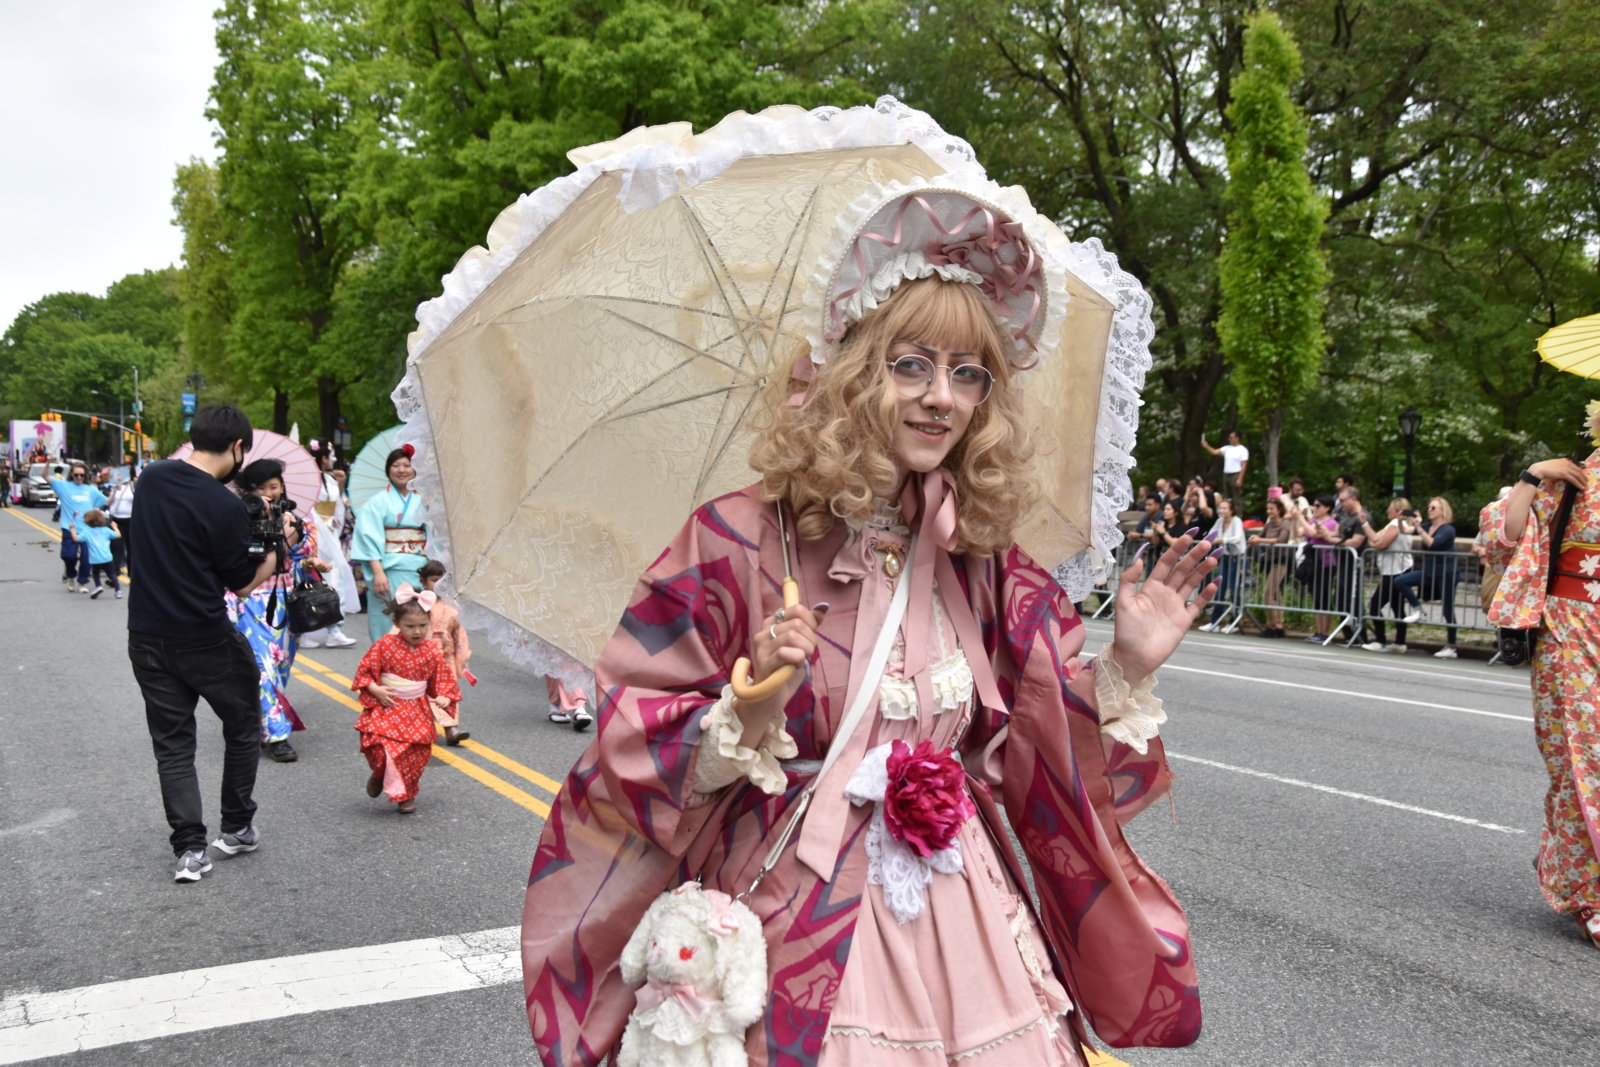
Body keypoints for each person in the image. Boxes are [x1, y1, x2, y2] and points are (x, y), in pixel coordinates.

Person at [520, 239, 1213, 1058]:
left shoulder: (977, 551)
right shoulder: (737, 537)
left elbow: (1033, 740)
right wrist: (747, 711)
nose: (942, 398)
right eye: (911, 364)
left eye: (968, 374)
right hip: (798, 895)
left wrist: (1126, 666)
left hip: (965, 908)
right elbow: (630, 735)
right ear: (850, 372)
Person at [126, 404, 278, 882]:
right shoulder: (224, 504)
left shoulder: (152, 478)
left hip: (146, 635)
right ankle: (236, 827)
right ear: (237, 446)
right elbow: (243, 583)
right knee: (242, 724)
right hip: (205, 636)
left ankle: (189, 850)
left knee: (173, 744)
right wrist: (274, 549)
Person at [1490, 408, 1600, 948]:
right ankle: (1589, 892)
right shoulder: (1573, 478)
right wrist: (1533, 474)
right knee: (1581, 758)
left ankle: (1564, 856)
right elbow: (1508, 535)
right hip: (1568, 626)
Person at [227, 458, 325, 763]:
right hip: (251, 598)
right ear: (249, 491)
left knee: (280, 666)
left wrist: (310, 560)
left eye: (274, 486)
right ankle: (277, 735)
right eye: (261, 488)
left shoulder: (294, 519)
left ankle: (261, 721)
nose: (269, 493)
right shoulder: (237, 518)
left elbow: (300, 558)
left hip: (285, 600)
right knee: (261, 667)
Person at [351, 595, 461, 814]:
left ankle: (407, 795)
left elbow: (442, 678)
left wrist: (445, 696)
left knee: (414, 755)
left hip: (416, 710)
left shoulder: (431, 651)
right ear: (396, 623)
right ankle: (380, 773)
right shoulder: (384, 645)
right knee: (379, 746)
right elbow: (364, 671)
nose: (417, 631)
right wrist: (375, 689)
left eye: (423, 625)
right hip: (388, 704)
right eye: (410, 626)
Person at [350, 444, 430, 643]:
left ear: (415, 470)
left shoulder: (425, 501)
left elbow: (435, 538)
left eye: (407, 465)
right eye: (396, 465)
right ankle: (386, 659)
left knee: (419, 619)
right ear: (388, 470)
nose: (401, 470)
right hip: (388, 570)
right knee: (387, 619)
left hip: (420, 570)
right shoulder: (377, 502)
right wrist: (378, 573)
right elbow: (368, 539)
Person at [404, 560, 472, 745]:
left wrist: (461, 660)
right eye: (435, 580)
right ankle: (414, 728)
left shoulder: (453, 607)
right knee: (418, 692)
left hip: (445, 658)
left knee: (446, 691)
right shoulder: (416, 605)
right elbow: (402, 628)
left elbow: (460, 636)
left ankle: (451, 729)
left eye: (444, 581)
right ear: (423, 580)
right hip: (419, 657)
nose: (440, 585)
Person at [299, 441, 359, 648]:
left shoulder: (330, 480)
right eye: (331, 455)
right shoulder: (306, 480)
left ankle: (334, 628)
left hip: (330, 533)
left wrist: (333, 519)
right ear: (323, 458)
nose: (333, 459)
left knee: (334, 579)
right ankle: (306, 629)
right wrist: (320, 523)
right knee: (312, 581)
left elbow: (336, 506)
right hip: (314, 535)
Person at [1394, 496, 1459, 658]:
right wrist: (1401, 520)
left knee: (1447, 609)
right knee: (1401, 581)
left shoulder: (1448, 529)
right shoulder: (1427, 526)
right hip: (1430, 571)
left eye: (1433, 508)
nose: (1429, 510)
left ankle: (1451, 646)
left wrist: (1418, 527)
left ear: (1442, 511)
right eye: (1429, 507)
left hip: (1446, 573)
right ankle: (1418, 609)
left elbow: (1432, 543)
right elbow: (1405, 531)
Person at [1358, 499, 1417, 653]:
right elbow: (1375, 537)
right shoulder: (1397, 525)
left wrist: (1375, 543)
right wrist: (1365, 524)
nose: (1387, 511)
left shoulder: (1395, 525)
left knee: (1375, 605)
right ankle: (1400, 642)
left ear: (1398, 511)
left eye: (1390, 508)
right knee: (1397, 607)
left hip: (1395, 571)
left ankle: (1381, 640)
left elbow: (1381, 543)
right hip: (1395, 570)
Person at [50, 462, 107, 591]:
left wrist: (117, 491)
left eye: (82, 475)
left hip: (87, 529)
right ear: (72, 474)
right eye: (76, 475)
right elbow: (45, 476)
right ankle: (70, 575)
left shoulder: (90, 490)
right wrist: (48, 462)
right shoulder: (64, 486)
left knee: (86, 558)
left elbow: (106, 501)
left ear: (85, 475)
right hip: (69, 527)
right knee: (69, 556)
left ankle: (82, 582)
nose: (79, 477)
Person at [1293, 493, 1341, 643]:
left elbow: (1313, 533)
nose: (1315, 508)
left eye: (1318, 505)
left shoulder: (1331, 522)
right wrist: (1296, 518)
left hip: (1325, 562)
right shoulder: (1313, 520)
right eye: (1314, 505)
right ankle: (1318, 629)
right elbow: (1299, 533)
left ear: (1327, 508)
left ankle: (1325, 631)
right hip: (1313, 561)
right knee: (1315, 596)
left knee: (1323, 596)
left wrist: (1301, 518)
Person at [1199, 497, 1247, 632]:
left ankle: (1234, 622)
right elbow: (1212, 533)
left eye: (1225, 508)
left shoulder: (1236, 521)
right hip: (1225, 556)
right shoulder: (1220, 521)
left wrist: (1221, 540)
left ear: (1231, 510)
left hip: (1237, 557)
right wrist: (1208, 540)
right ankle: (1214, 621)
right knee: (1220, 587)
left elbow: (1237, 538)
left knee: (1234, 588)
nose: (1221, 510)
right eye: (1220, 508)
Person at [1250, 496, 1295, 637]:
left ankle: (1272, 624)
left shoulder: (1285, 524)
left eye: (1272, 509)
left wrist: (1260, 540)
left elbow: (1281, 540)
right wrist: (1254, 539)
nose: (1269, 511)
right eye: (1268, 509)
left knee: (1268, 593)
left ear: (1279, 510)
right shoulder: (1269, 524)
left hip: (1281, 561)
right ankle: (1279, 624)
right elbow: (1260, 536)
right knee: (1276, 593)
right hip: (1270, 560)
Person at [1334, 487, 1368, 636]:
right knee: (1340, 597)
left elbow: (1356, 542)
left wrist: (1335, 541)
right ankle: (1347, 634)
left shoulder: (1362, 516)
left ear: (1353, 498)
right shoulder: (1344, 515)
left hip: (1354, 564)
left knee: (1353, 599)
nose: (1341, 504)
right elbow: (1336, 533)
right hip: (1342, 562)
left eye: (1343, 501)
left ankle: (1360, 634)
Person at [75, 508, 123, 599]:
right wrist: (115, 527)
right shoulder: (105, 530)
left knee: (95, 573)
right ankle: (118, 591)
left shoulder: (87, 531)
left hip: (95, 558)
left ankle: (98, 586)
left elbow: (77, 539)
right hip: (107, 557)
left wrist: (72, 529)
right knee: (111, 574)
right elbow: (118, 535)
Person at [1202, 430, 1249, 510]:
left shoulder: (1242, 450)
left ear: (1237, 438)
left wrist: (1240, 478)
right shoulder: (1227, 448)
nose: (1229, 439)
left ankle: (1238, 514)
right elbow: (1215, 452)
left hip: (1235, 474)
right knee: (1227, 496)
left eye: (1231, 438)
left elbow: (1244, 465)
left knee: (1236, 497)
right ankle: (1227, 512)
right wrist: (1207, 446)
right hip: (1226, 474)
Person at [106, 472, 135, 578]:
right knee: (116, 547)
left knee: (131, 548)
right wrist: (114, 491)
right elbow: (107, 503)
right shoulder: (114, 487)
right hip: (116, 521)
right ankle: (114, 573)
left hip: (130, 520)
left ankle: (132, 573)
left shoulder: (132, 486)